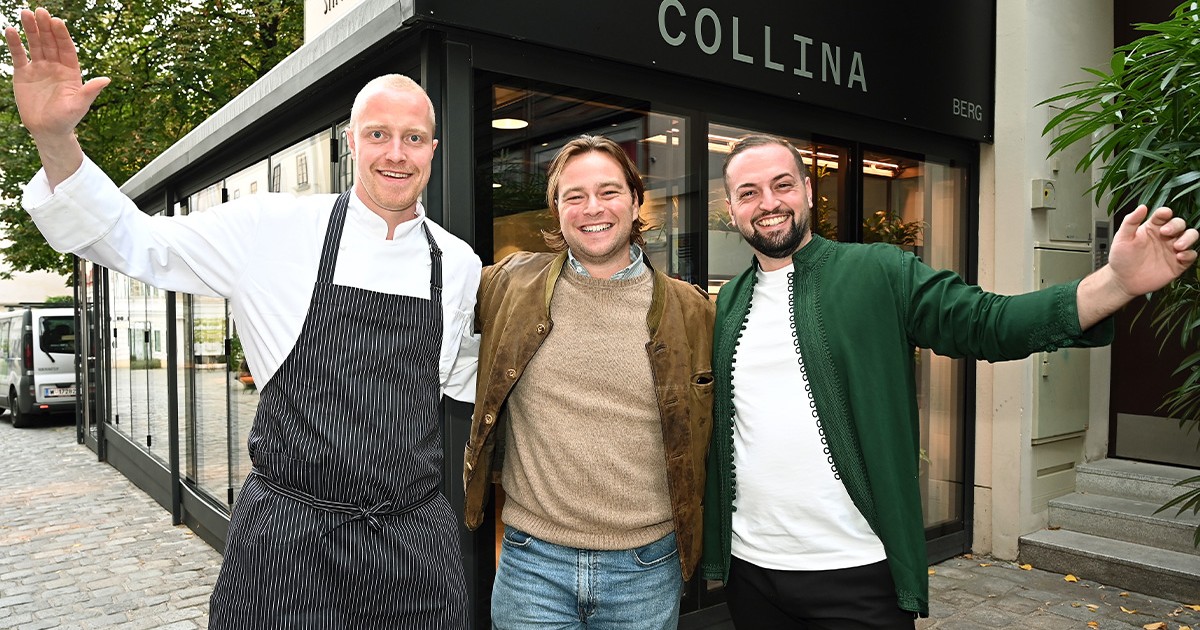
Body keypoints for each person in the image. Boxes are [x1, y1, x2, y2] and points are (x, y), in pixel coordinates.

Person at [6, 8, 480, 628]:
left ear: (433, 150)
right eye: (378, 134)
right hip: (288, 540)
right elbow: (134, 241)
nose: (396, 153)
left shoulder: (459, 263)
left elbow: (458, 374)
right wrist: (55, 139)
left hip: (410, 543)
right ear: (351, 140)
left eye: (413, 138)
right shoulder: (271, 228)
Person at [700, 134, 1199, 628]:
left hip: (856, 570)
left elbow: (990, 322)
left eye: (782, 185)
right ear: (731, 206)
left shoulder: (878, 271)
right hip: (753, 571)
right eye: (749, 192)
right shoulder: (728, 302)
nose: (768, 203)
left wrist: (1115, 283)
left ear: (808, 190)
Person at [462, 134, 714, 629]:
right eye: (573, 196)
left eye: (609, 191)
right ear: (555, 211)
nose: (591, 208)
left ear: (637, 200)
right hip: (531, 564)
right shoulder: (508, 285)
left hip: (647, 567)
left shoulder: (692, 311)